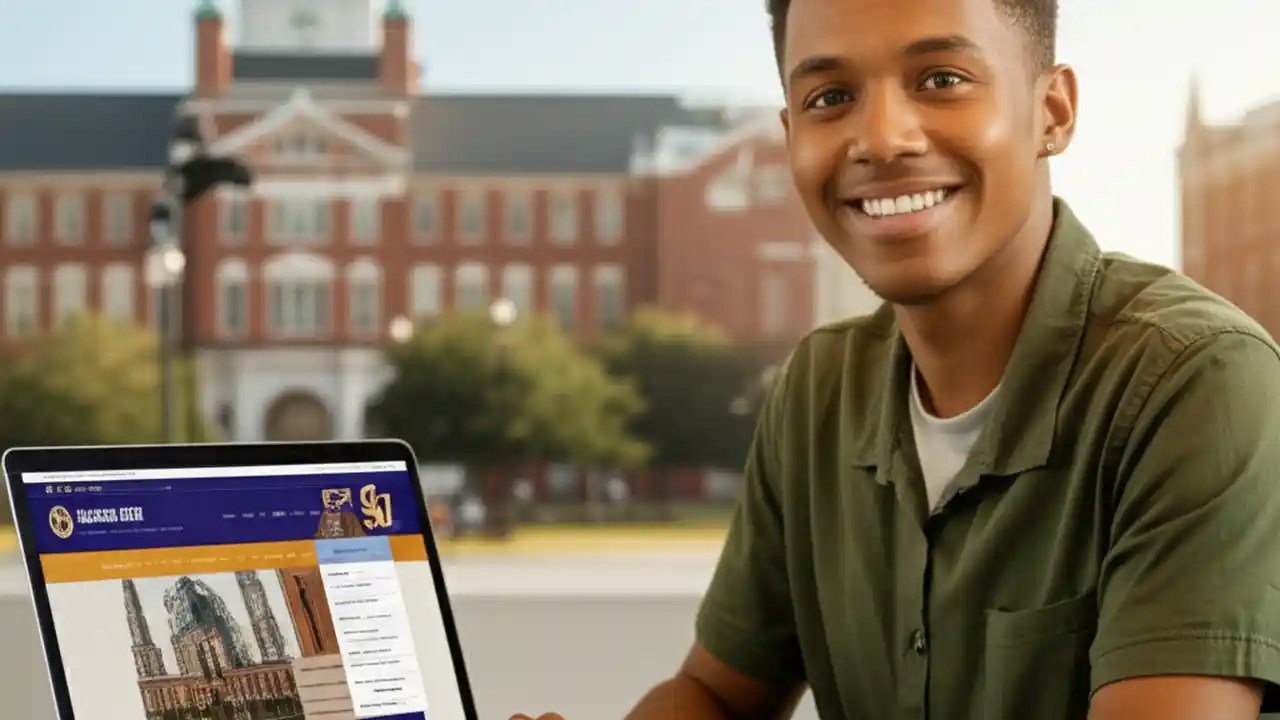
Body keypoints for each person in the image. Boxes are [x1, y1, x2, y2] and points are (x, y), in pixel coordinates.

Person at [513, 0, 1280, 717]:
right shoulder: (818, 389)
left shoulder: (1199, 382)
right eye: (829, 98)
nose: (880, 139)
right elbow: (716, 693)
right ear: (790, 137)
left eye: (942, 80)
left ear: (1052, 112)